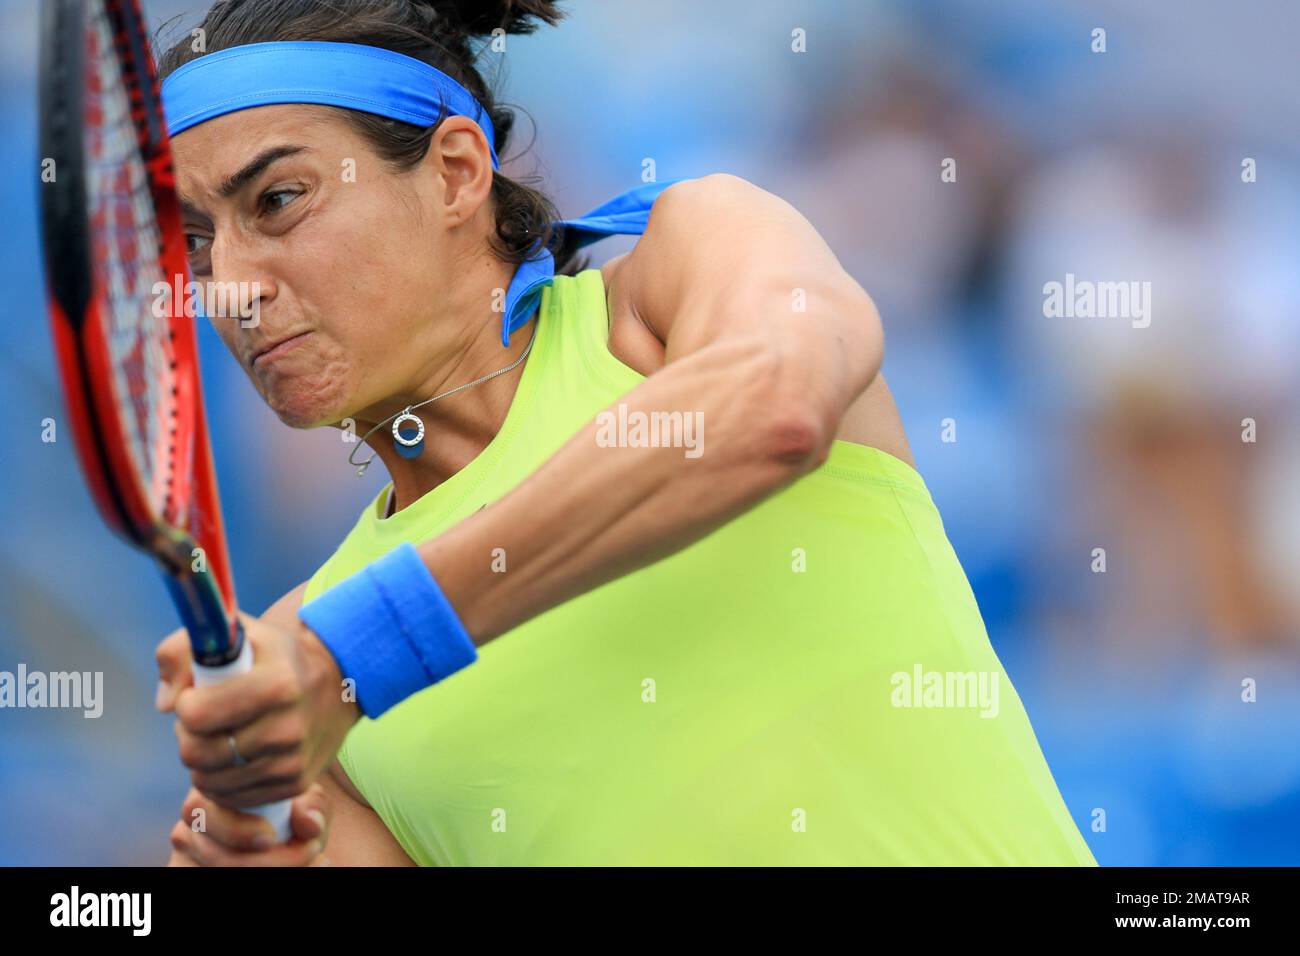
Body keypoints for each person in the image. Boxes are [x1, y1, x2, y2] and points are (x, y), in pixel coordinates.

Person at [155, 0, 1095, 866]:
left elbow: (776, 407)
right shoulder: (298, 668)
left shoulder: (686, 267)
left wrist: (364, 647)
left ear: (455, 173)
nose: (229, 285)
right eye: (195, 243)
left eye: (278, 200)